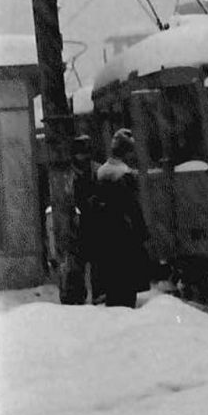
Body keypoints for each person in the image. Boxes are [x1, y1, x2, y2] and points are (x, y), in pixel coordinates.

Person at [93, 129, 150, 308]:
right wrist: (142, 230)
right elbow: (132, 206)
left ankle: (114, 304)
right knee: (126, 281)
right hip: (125, 232)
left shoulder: (102, 171)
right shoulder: (124, 174)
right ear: (127, 152)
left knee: (113, 278)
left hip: (106, 232)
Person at [71, 134, 103, 303]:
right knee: (79, 262)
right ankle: (80, 295)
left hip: (92, 221)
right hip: (80, 222)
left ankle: (97, 293)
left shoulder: (95, 170)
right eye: (81, 153)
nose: (84, 157)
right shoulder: (71, 173)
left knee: (95, 260)